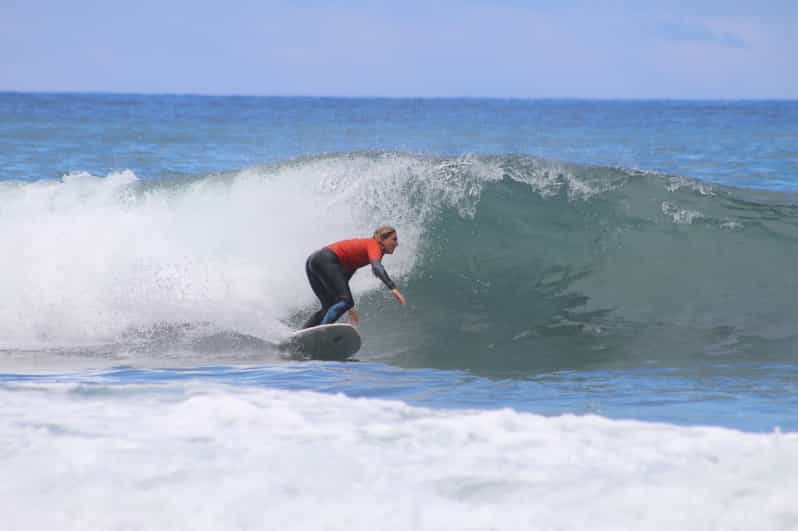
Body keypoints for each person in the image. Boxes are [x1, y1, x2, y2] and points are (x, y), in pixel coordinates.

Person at [302, 226, 406, 329]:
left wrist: (349, 308)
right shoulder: (373, 244)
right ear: (383, 239)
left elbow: (342, 281)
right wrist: (393, 289)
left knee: (329, 305)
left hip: (314, 261)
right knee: (345, 301)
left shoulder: (363, 251)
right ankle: (321, 331)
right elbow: (377, 267)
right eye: (394, 239)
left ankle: (302, 333)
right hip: (325, 260)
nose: (396, 244)